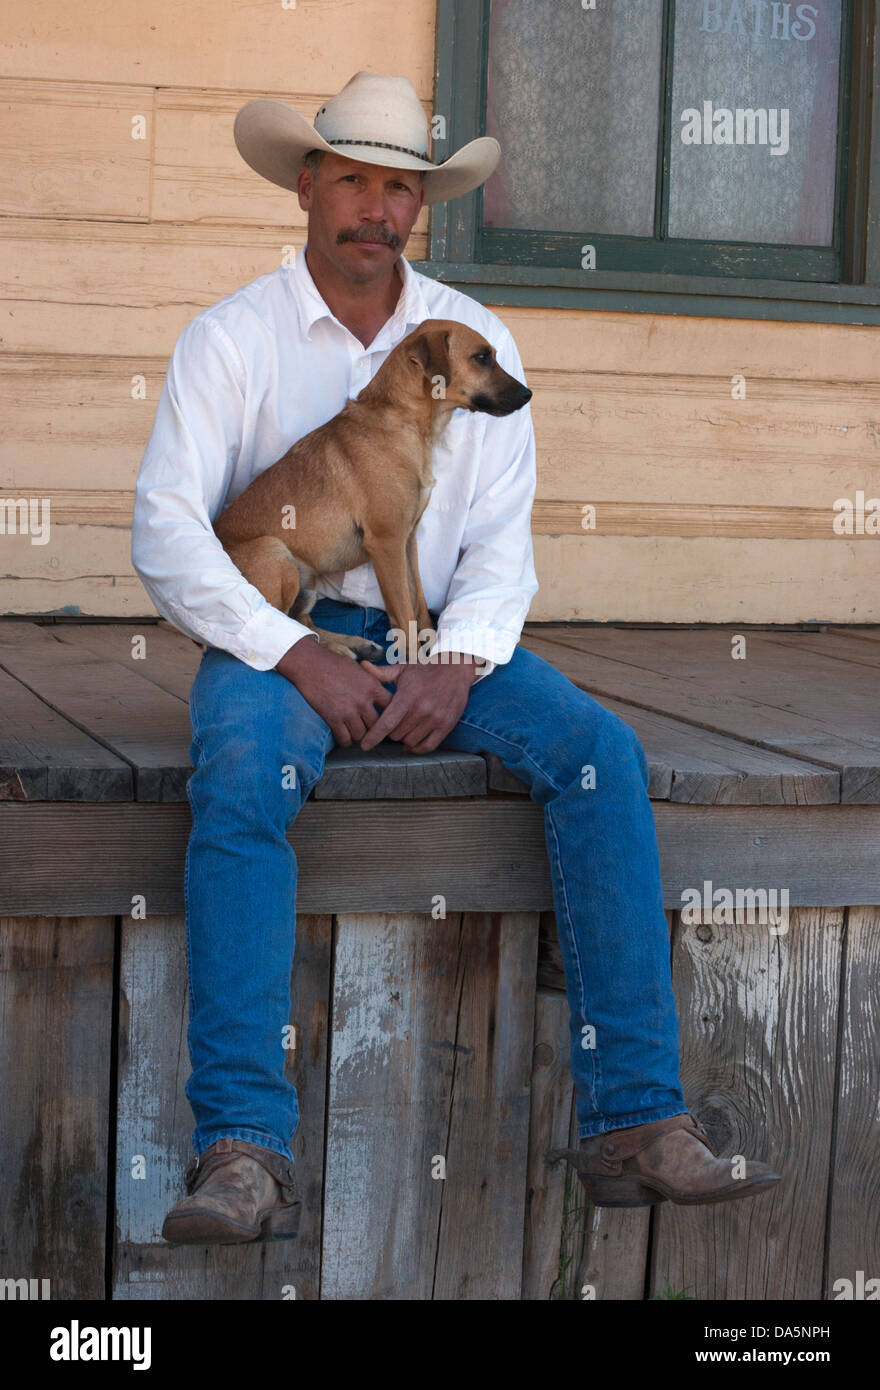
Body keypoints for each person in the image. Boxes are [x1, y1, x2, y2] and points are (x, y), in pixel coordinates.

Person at [131, 71, 780, 1246]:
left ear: (417, 207)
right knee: (237, 776)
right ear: (305, 187)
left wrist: (458, 661)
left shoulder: (476, 338)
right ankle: (240, 1146)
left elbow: (499, 544)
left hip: (435, 638)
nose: (377, 209)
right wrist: (294, 653)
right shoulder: (229, 340)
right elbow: (170, 532)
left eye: (401, 188)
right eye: (354, 181)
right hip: (275, 636)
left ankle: (633, 1120)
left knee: (596, 751)